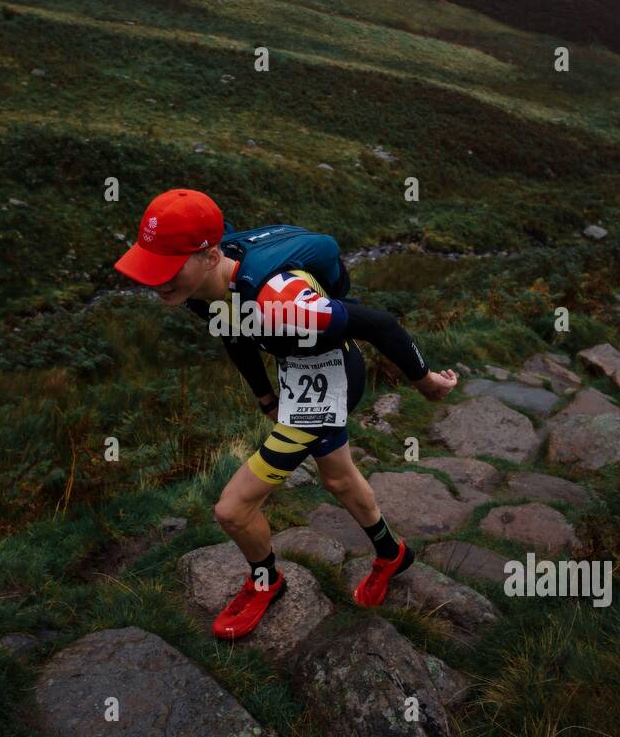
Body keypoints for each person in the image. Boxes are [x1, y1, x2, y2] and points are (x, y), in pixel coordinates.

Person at [114, 189, 457, 640]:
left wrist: (425, 379)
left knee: (233, 510)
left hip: (328, 382)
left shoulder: (285, 303)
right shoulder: (203, 289)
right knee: (336, 477)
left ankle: (267, 582)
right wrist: (263, 395)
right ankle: (392, 554)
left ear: (211, 254)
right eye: (151, 266)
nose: (157, 283)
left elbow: (379, 324)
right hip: (295, 372)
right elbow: (233, 332)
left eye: (168, 268)